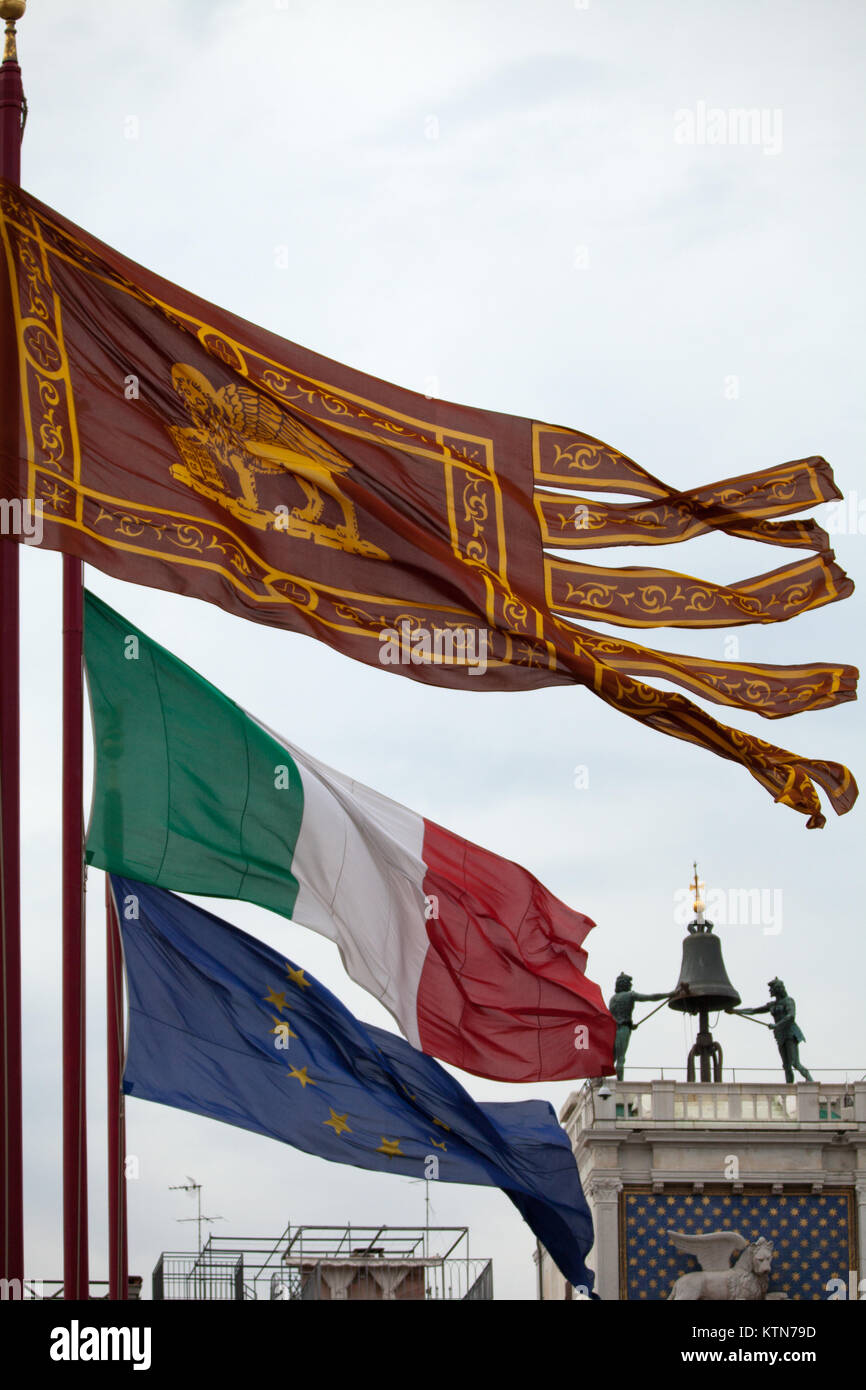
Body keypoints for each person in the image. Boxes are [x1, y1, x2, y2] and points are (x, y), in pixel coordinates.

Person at [735, 978, 813, 1083]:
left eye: (772, 989)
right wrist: (736, 1011)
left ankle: (809, 1079)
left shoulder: (789, 1001)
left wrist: (776, 1025)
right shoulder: (772, 1005)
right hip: (780, 1035)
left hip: (790, 1033)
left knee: (795, 1062)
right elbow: (754, 1010)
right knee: (786, 1065)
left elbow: (791, 1016)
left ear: (778, 989)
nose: (770, 991)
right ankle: (789, 1087)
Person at [608, 973, 672, 1081]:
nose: (631, 985)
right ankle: (620, 1084)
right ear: (626, 984)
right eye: (629, 983)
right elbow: (651, 997)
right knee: (621, 1058)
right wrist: (670, 994)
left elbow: (614, 1017)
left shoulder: (613, 999)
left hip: (614, 1029)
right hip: (623, 1029)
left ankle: (600, 1080)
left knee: (612, 1058)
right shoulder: (630, 995)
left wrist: (629, 1024)